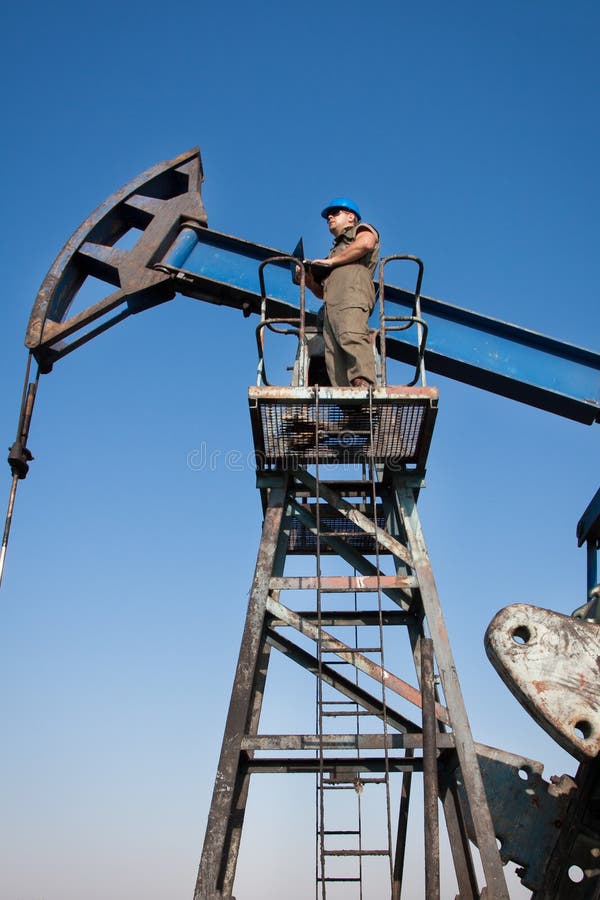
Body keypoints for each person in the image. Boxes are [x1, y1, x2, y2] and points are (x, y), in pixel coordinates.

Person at [304, 198, 380, 388]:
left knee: (351, 335)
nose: (330, 217)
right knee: (333, 353)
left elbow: (366, 244)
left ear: (351, 217)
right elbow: (322, 293)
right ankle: (348, 402)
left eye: (335, 212)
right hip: (332, 305)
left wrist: (331, 262)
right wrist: (308, 281)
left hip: (353, 295)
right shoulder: (333, 254)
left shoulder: (361, 230)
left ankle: (363, 385)